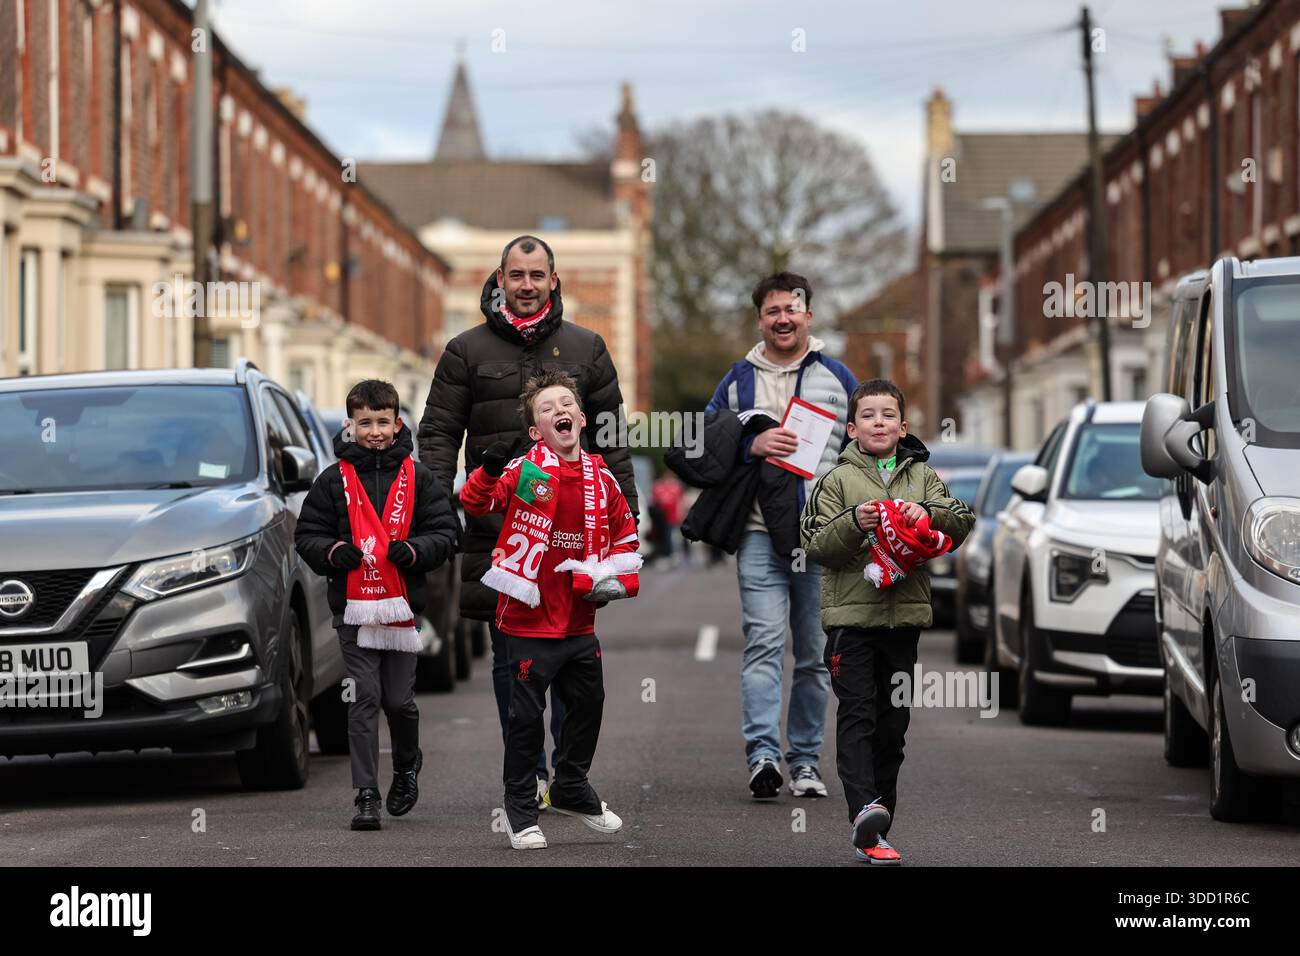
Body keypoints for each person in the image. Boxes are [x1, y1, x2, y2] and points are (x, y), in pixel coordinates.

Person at [418, 235, 638, 806]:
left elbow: (612, 440)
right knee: (512, 661)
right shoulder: (465, 350)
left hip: (578, 538)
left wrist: (627, 525)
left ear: (553, 280)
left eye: (537, 275)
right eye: (517, 275)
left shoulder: (587, 348)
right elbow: (439, 434)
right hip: (500, 538)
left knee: (572, 655)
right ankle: (530, 774)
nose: (526, 285)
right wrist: (437, 510)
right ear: (500, 278)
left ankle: (568, 774)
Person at [460, 371, 640, 850]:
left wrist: (615, 579)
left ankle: (571, 787)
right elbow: (476, 504)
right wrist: (488, 471)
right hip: (527, 618)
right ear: (537, 430)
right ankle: (520, 813)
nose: (559, 410)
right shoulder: (526, 470)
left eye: (567, 404)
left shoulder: (603, 479)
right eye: (546, 407)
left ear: (580, 419)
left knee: (589, 705)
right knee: (524, 721)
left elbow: (626, 533)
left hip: (580, 620)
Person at [800, 378, 975, 865]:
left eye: (888, 415)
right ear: (852, 428)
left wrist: (929, 513)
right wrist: (856, 520)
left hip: (903, 623)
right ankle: (864, 810)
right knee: (857, 714)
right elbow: (815, 544)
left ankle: (878, 828)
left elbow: (962, 520)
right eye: (869, 415)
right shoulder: (834, 482)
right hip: (850, 623)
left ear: (902, 426)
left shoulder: (922, 476)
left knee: (892, 726)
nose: (879, 422)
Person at [705, 272, 857, 800]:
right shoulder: (738, 380)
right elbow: (703, 442)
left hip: (821, 540)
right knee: (765, 644)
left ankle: (807, 761)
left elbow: (866, 448)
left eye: (792, 309)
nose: (783, 318)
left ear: (808, 316)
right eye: (772, 311)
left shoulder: (838, 378)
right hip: (758, 536)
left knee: (815, 654)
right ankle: (763, 757)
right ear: (760, 319)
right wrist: (751, 443)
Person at [295, 380, 460, 831]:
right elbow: (307, 536)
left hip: (404, 609)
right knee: (363, 697)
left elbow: (446, 534)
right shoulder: (332, 481)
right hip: (353, 608)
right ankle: (365, 793)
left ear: (397, 423)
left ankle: (406, 766)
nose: (374, 431)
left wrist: (414, 551)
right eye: (364, 422)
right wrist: (334, 553)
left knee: (399, 700)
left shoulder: (420, 477)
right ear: (350, 425)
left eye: (382, 422)